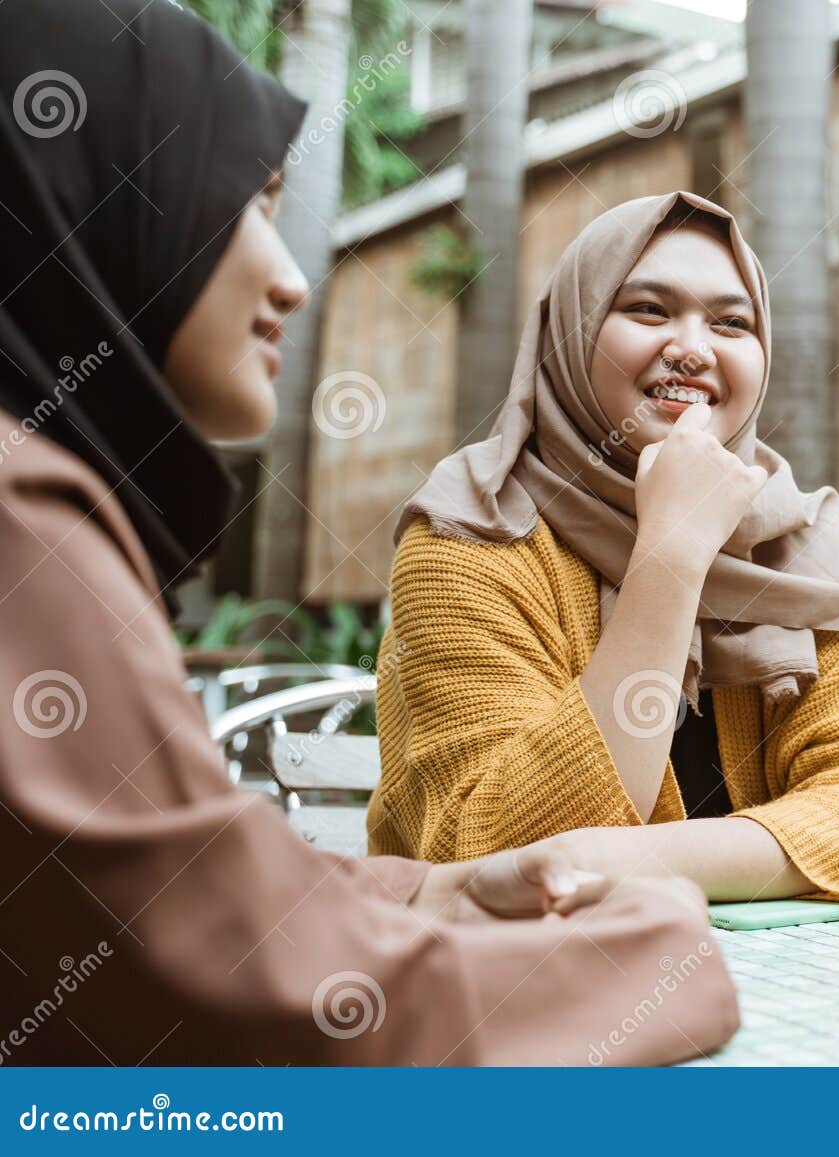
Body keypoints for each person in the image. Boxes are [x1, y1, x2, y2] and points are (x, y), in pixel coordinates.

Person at [0, 0, 737, 1065]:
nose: (292, 276)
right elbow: (227, 988)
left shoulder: (796, 549)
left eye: (733, 320)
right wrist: (652, 957)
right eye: (247, 206)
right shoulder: (24, 522)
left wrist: (429, 892)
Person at [370, 192, 839, 909]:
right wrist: (671, 553)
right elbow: (497, 854)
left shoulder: (803, 545)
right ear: (572, 333)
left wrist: (615, 859)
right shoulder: (471, 535)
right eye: (649, 309)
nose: (694, 349)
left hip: (769, 974)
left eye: (731, 322)